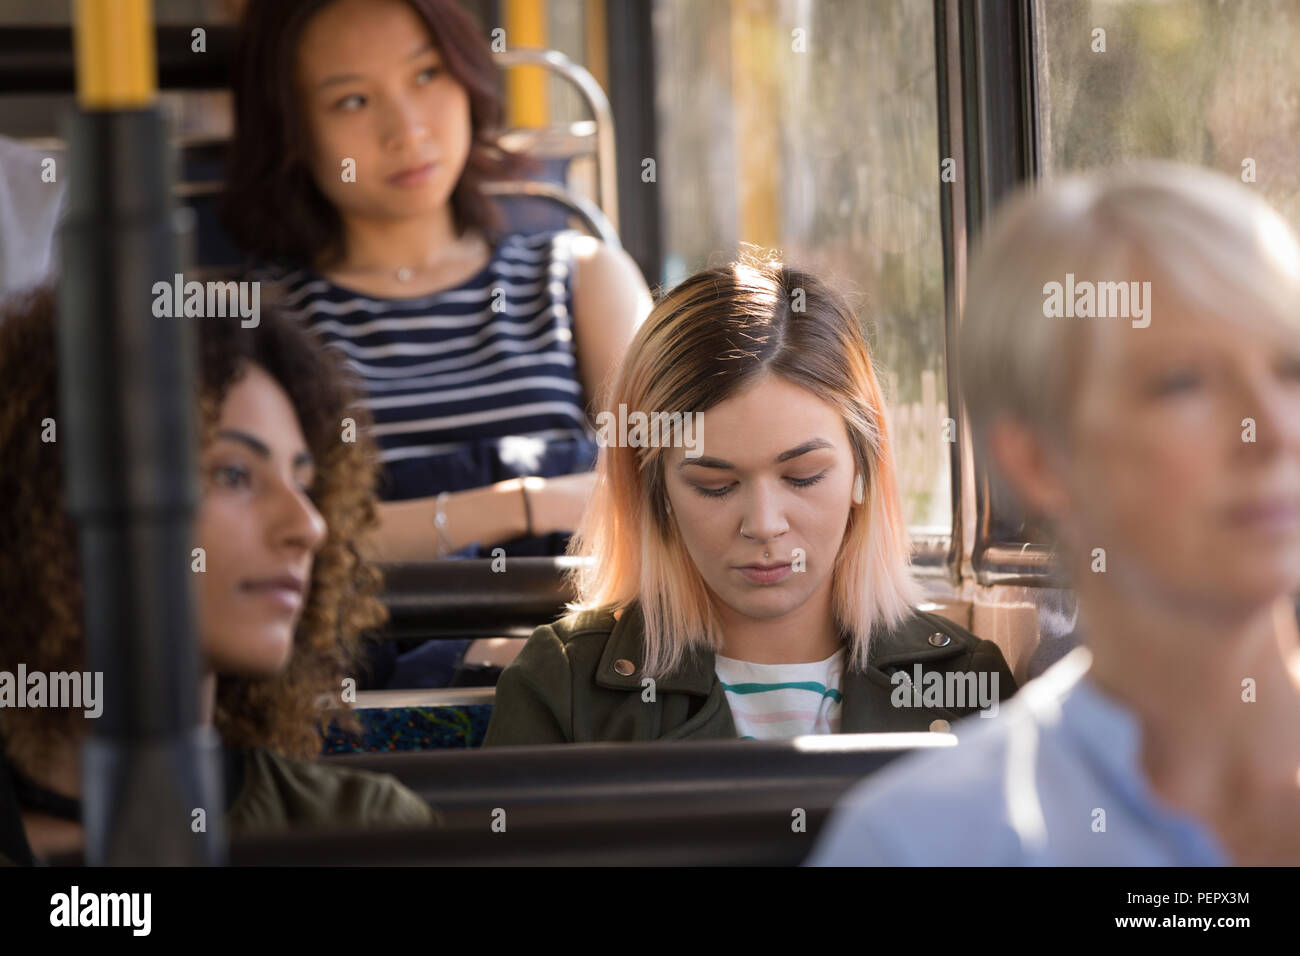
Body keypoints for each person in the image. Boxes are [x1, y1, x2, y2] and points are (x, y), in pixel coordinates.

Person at [809, 163, 1300, 865]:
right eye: (1184, 382)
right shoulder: (922, 844)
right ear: (1039, 461)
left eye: (1292, 369)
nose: (1275, 430)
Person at [483, 254, 1016, 745]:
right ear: (656, 490)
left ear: (863, 470)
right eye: (714, 484)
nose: (764, 525)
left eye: (804, 476)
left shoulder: (967, 681)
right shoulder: (562, 686)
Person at [0, 286, 434, 866]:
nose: (308, 526)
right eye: (233, 474)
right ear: (59, 500)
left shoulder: (372, 833)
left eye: (304, 483)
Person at [221, 0, 651, 565]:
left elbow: (673, 493)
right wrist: (529, 505)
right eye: (352, 100)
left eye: (427, 75)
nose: (407, 128)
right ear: (293, 132)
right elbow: (289, 542)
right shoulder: (263, 320)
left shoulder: (582, 279)